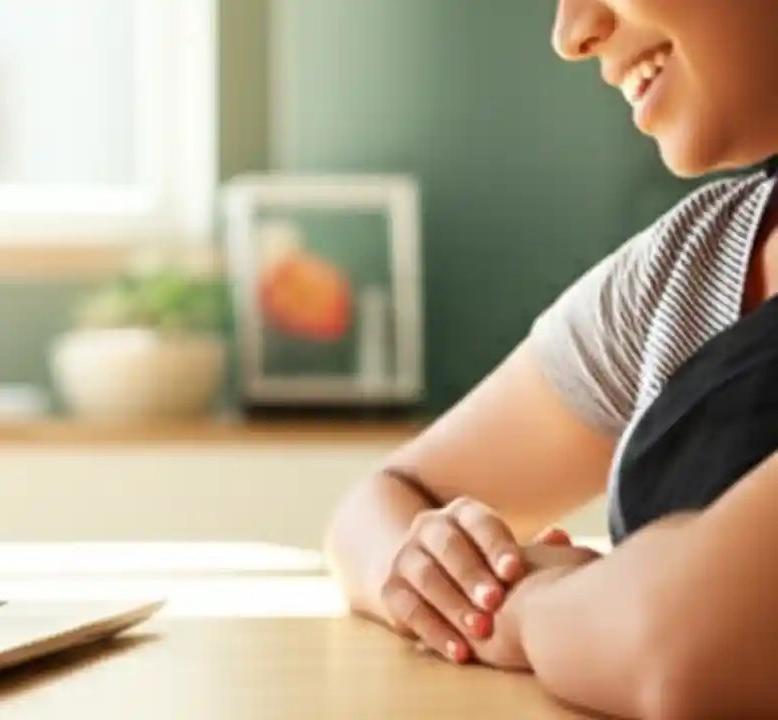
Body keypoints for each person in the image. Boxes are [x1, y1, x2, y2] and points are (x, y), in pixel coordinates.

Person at [323, 1, 778, 717]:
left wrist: (526, 607)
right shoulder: (690, 269)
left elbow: (680, 647)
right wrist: (440, 579)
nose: (572, 33)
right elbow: (384, 500)